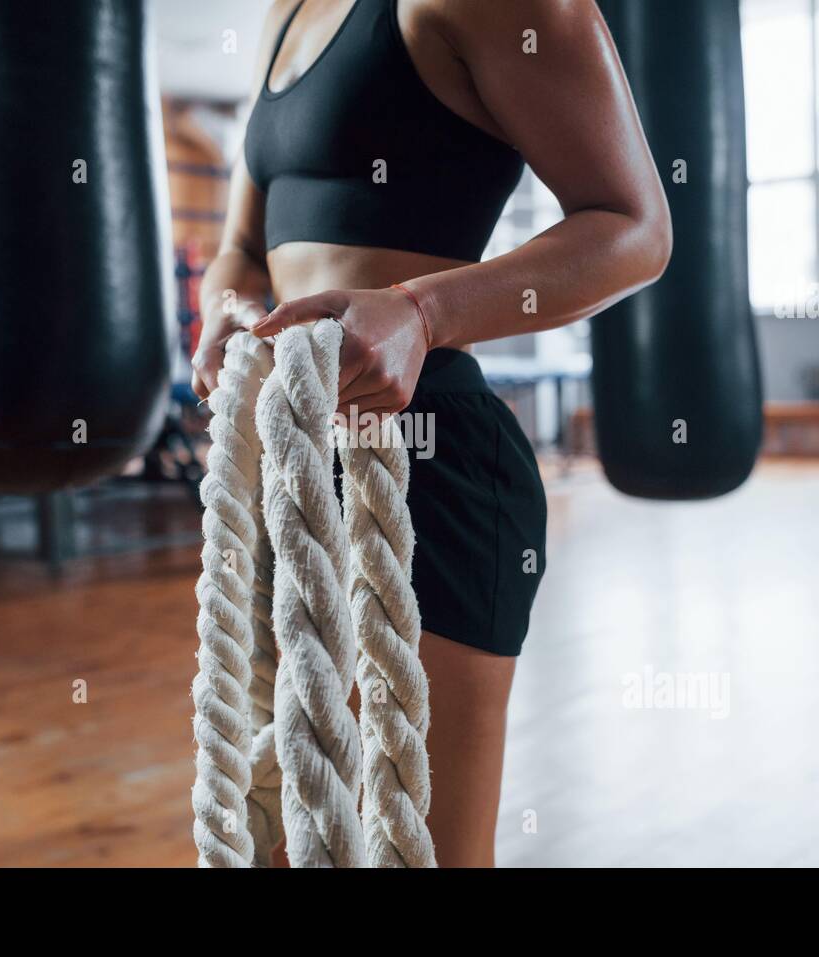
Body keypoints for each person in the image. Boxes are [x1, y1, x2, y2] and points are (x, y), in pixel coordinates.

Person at [192, 0, 671, 866]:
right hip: (291, 454)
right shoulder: (282, 12)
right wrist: (226, 313)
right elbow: (241, 246)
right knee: (281, 825)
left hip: (434, 462)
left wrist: (422, 310)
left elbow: (634, 228)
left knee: (421, 846)